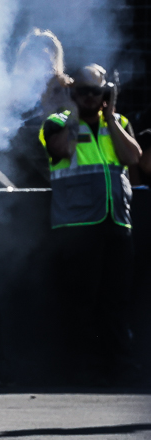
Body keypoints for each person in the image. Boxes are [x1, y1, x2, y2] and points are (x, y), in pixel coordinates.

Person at [39, 66, 142, 382]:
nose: (88, 97)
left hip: (115, 222)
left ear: (105, 94)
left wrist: (110, 117)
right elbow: (63, 150)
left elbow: (133, 157)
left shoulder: (119, 123)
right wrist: (71, 114)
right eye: (81, 91)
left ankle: (119, 368)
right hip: (77, 225)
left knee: (116, 300)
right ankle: (79, 370)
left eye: (95, 91)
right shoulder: (56, 122)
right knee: (80, 300)